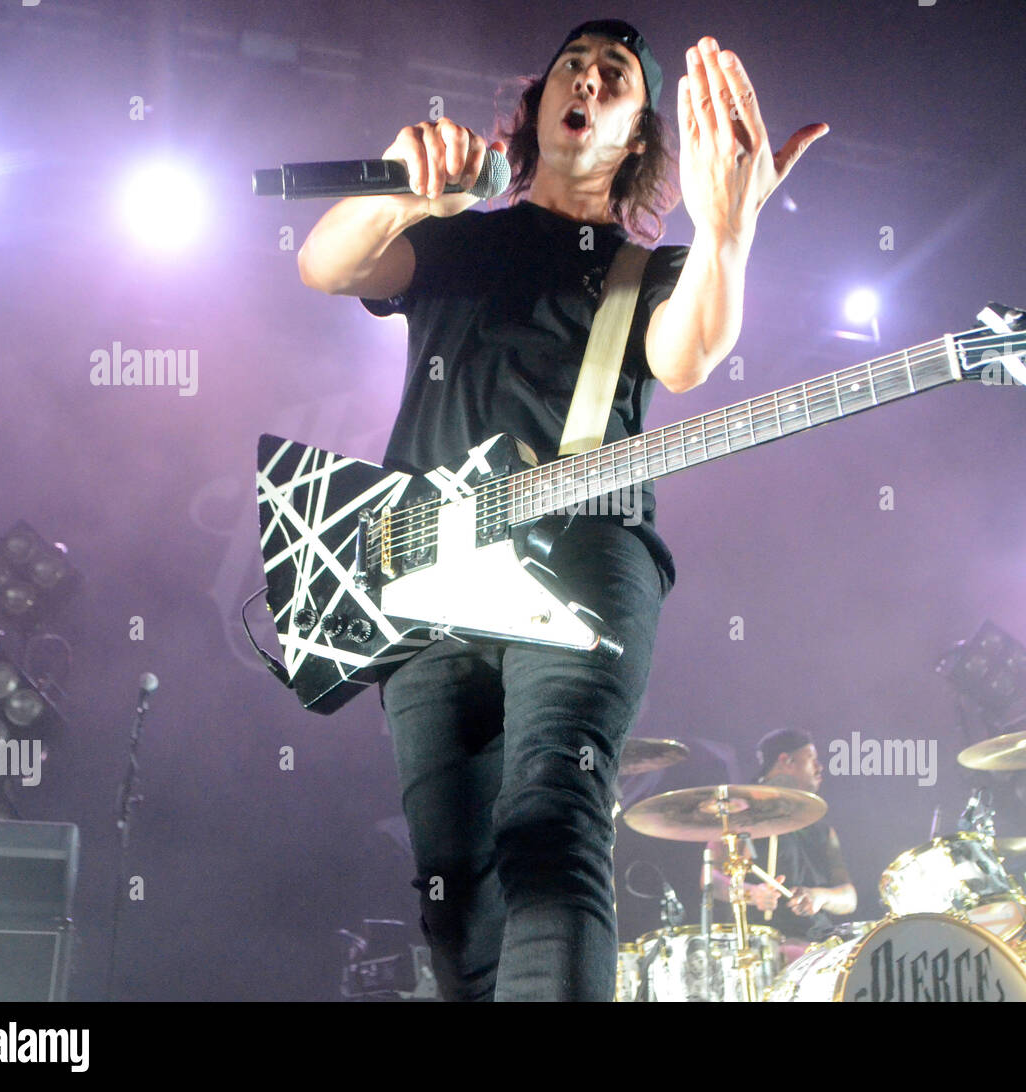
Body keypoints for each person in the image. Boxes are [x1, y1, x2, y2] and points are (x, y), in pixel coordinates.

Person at [296, 20, 828, 1001]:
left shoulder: (644, 269)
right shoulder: (457, 241)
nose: (585, 76)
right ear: (540, 105)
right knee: (454, 891)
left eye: (614, 74)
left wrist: (728, 232)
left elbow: (686, 354)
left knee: (549, 824)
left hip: (583, 559)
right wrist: (408, 193)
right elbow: (327, 266)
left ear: (634, 137)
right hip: (421, 584)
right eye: (572, 65)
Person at [711, 729, 857, 964]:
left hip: (823, 945)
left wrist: (819, 897)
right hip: (766, 948)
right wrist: (753, 894)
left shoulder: (822, 829)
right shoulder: (738, 815)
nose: (820, 768)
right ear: (785, 760)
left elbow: (850, 898)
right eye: (812, 759)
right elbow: (711, 880)